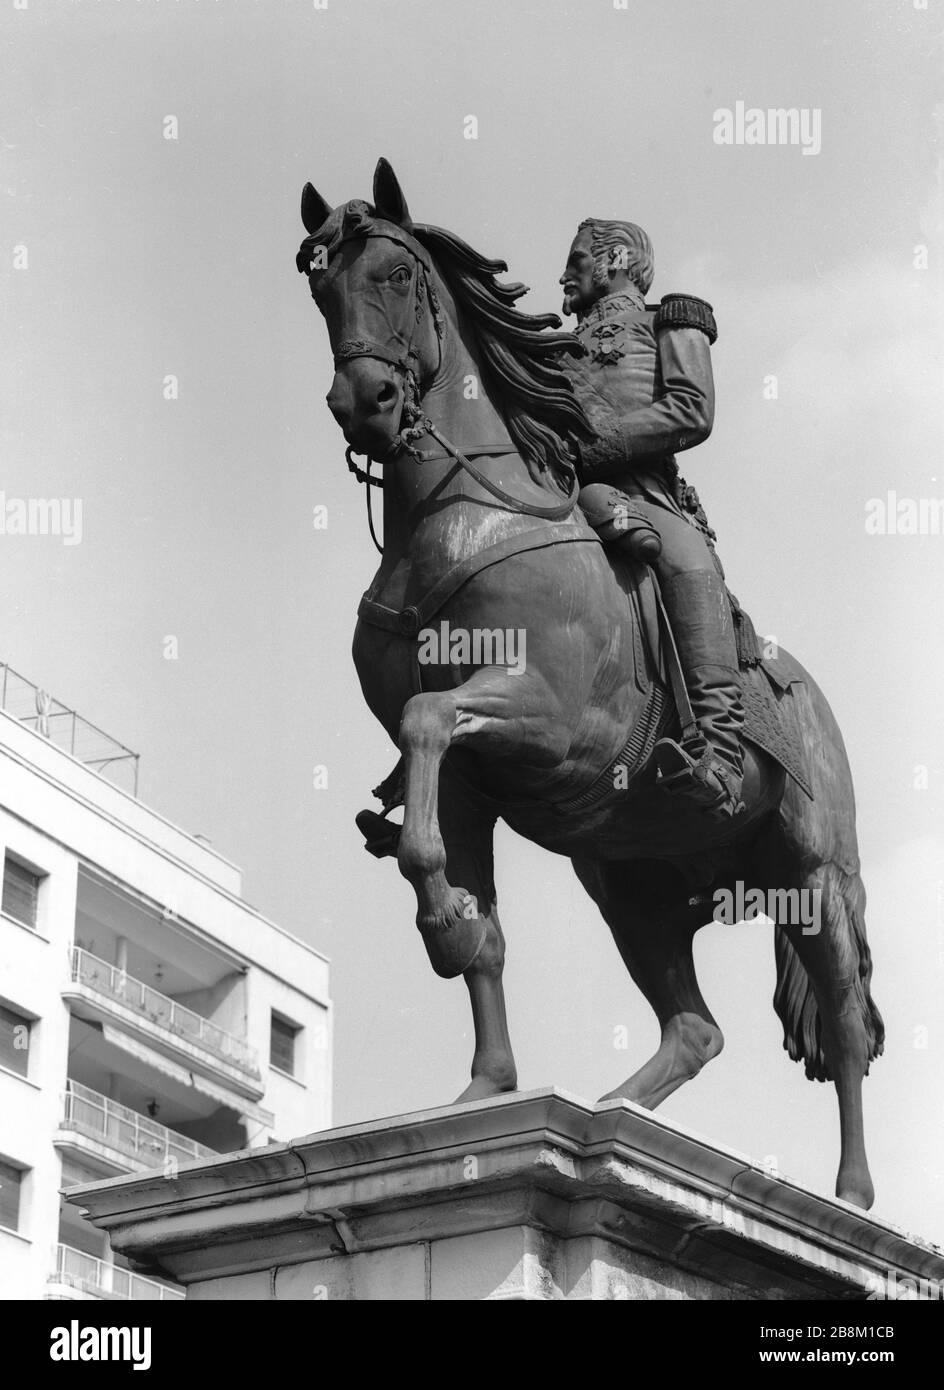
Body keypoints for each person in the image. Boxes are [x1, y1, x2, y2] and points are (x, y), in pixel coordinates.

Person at [560, 217, 744, 818]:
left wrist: (599, 444)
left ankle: (720, 752)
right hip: (566, 495)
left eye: (578, 260)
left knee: (687, 563)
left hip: (648, 497)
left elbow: (692, 410)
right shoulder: (551, 349)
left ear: (614, 259)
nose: (565, 275)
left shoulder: (671, 320)